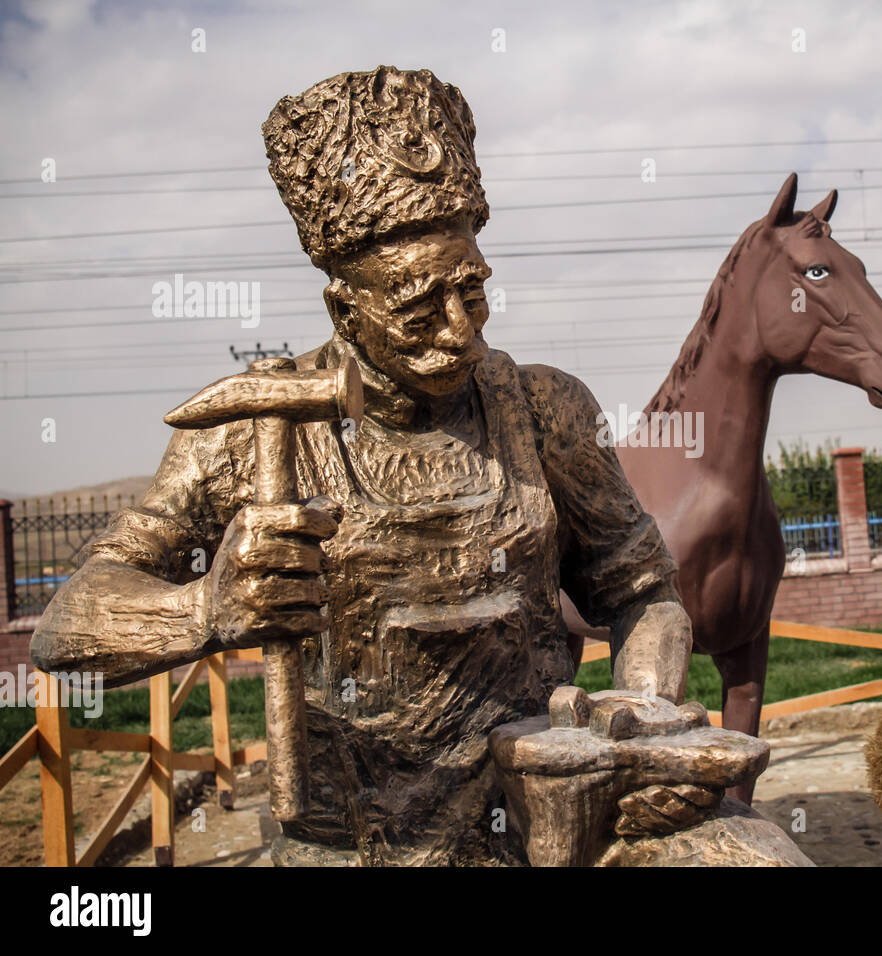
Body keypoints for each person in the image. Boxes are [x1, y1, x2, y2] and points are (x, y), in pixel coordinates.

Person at [32, 66, 808, 866]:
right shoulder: (257, 431)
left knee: (761, 858)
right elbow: (67, 628)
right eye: (415, 311)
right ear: (345, 311)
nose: (459, 335)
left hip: (542, 819)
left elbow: (643, 592)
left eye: (472, 295)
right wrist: (203, 611)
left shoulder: (548, 411)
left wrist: (636, 718)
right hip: (347, 846)